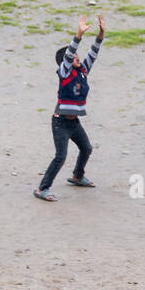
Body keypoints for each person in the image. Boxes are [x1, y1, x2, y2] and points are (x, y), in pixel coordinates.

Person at [34, 14, 105, 201]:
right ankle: (42, 189)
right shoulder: (65, 73)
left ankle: (77, 176)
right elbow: (69, 54)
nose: (78, 58)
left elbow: (94, 53)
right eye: (74, 57)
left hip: (74, 123)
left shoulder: (82, 71)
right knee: (60, 156)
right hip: (60, 123)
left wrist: (100, 35)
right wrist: (78, 35)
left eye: (78, 57)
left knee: (87, 148)